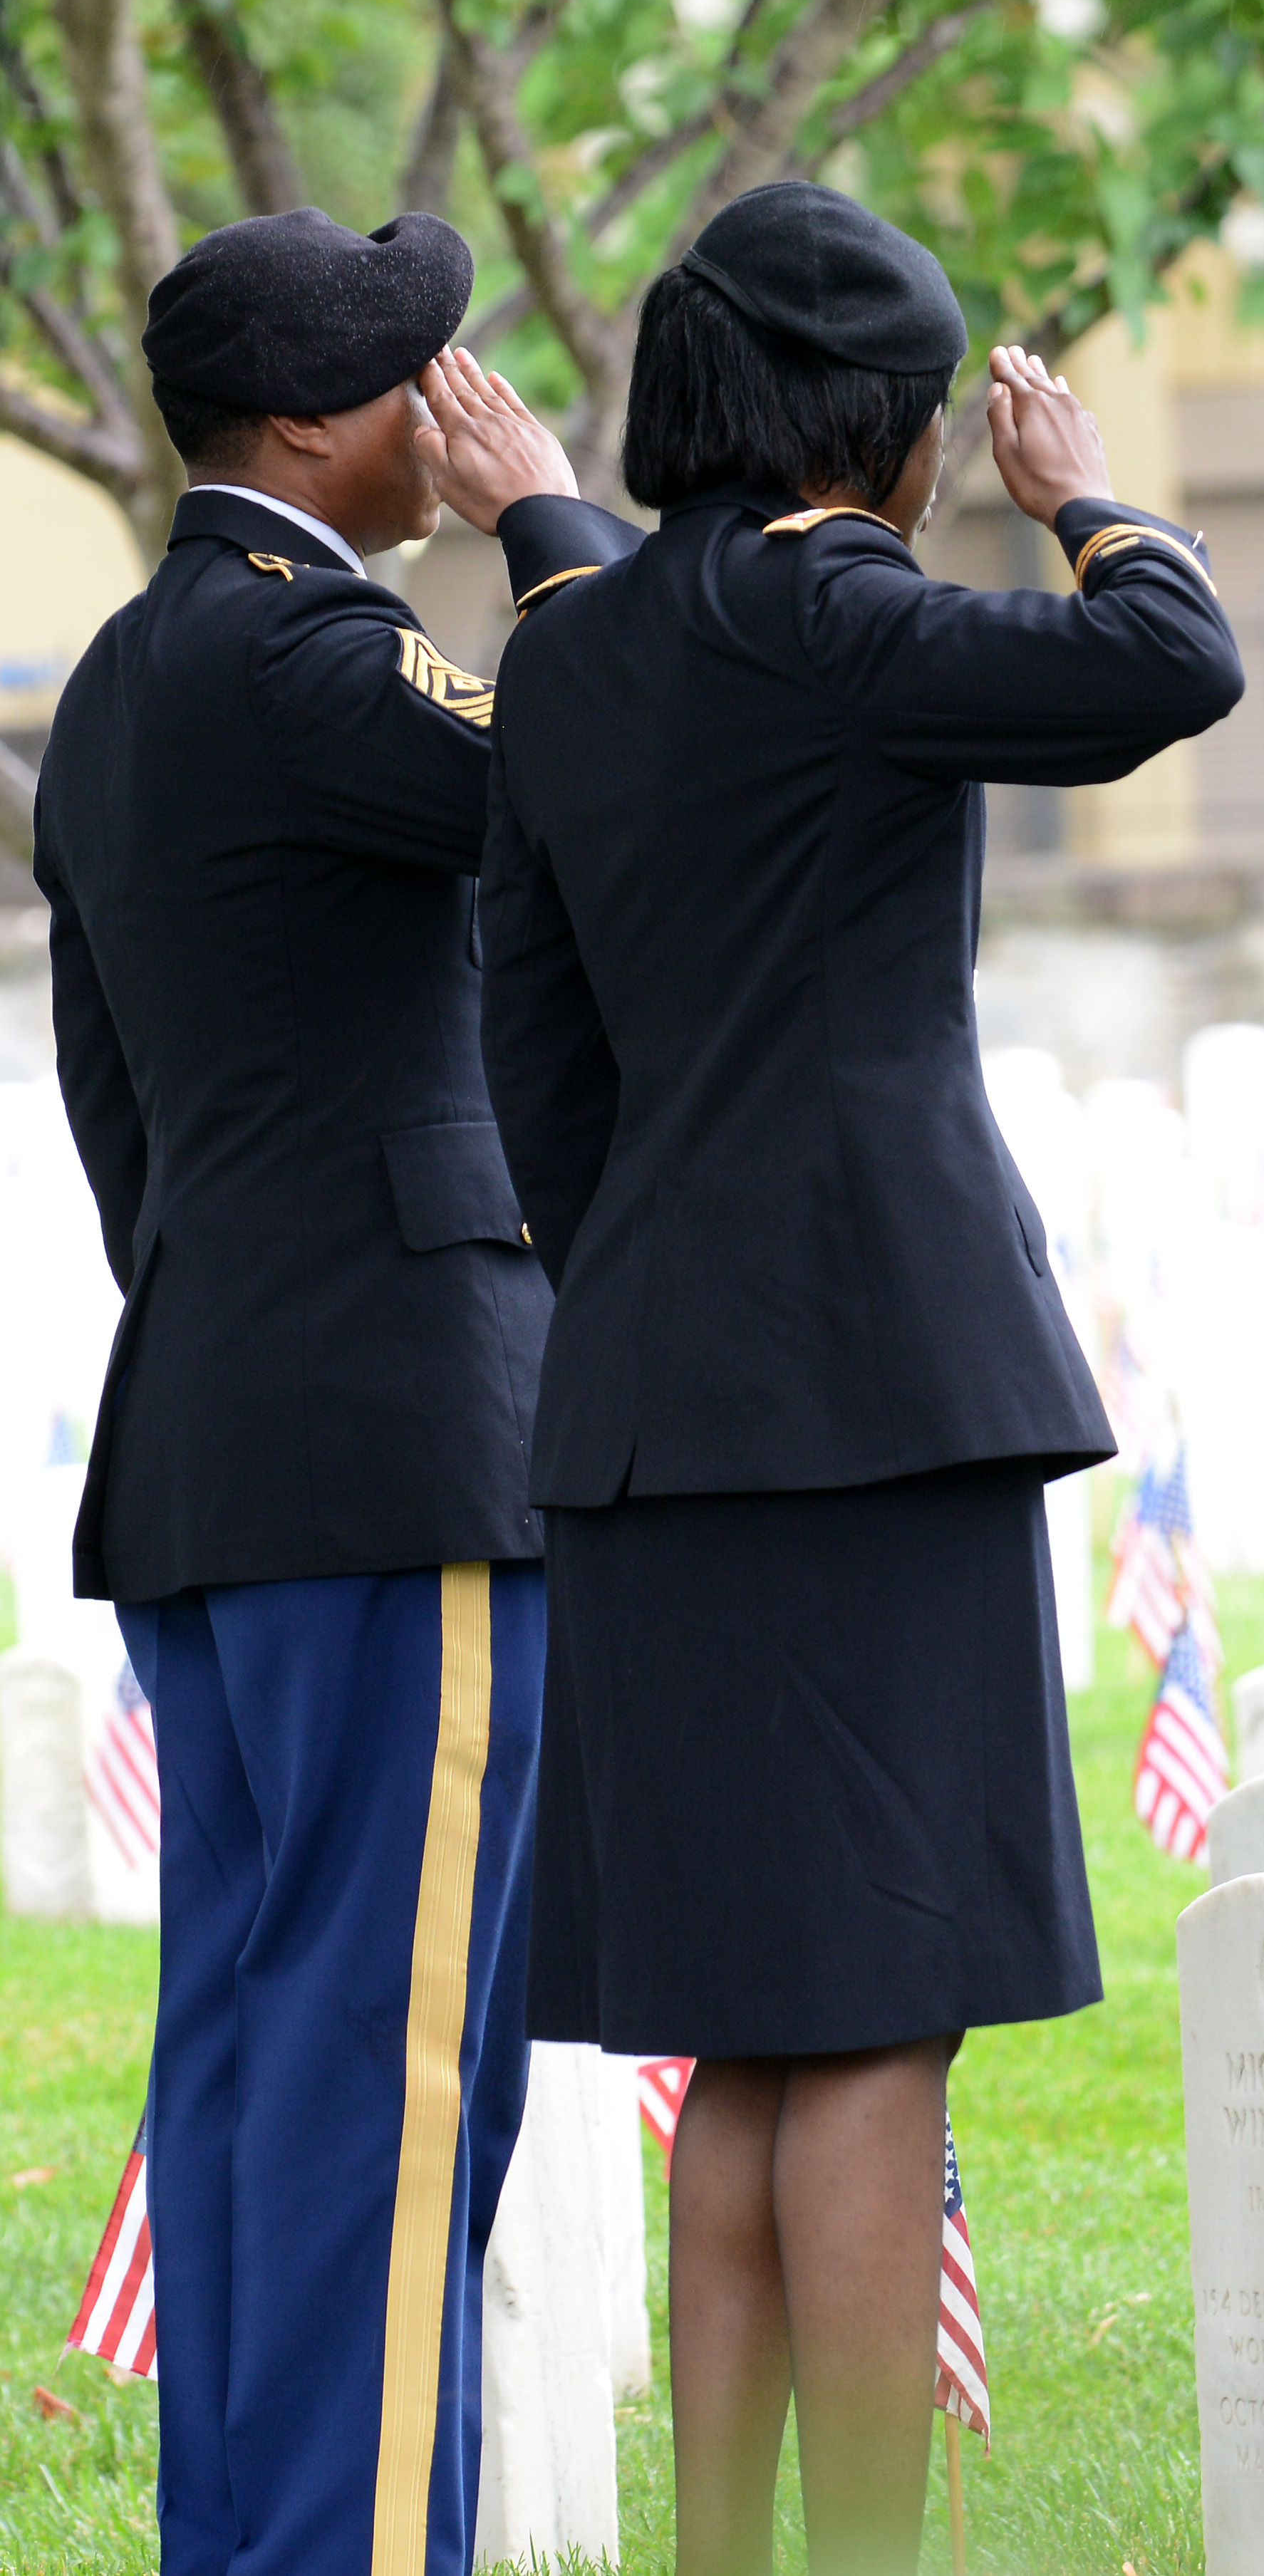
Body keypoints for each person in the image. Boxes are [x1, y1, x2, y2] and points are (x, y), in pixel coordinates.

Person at [478, 180, 1243, 2576]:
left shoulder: (571, 653)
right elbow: (1169, 662)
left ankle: (727, 2557)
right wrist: (1088, 493)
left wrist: (655, 1296)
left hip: (646, 1395)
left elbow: (536, 1056)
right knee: (877, 2005)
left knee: (731, 2024)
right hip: (876, 1394)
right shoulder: (847, 614)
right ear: (878, 430)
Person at [33, 205, 639, 2576]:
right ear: (316, 426)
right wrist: (556, 536)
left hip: (221, 1427)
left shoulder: (113, 677)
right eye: (427, 369)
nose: (460, 393)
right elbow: (605, 779)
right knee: (395, 2085)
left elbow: (119, 1107)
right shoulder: (319, 658)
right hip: (397, 1435)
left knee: (263, 2061)